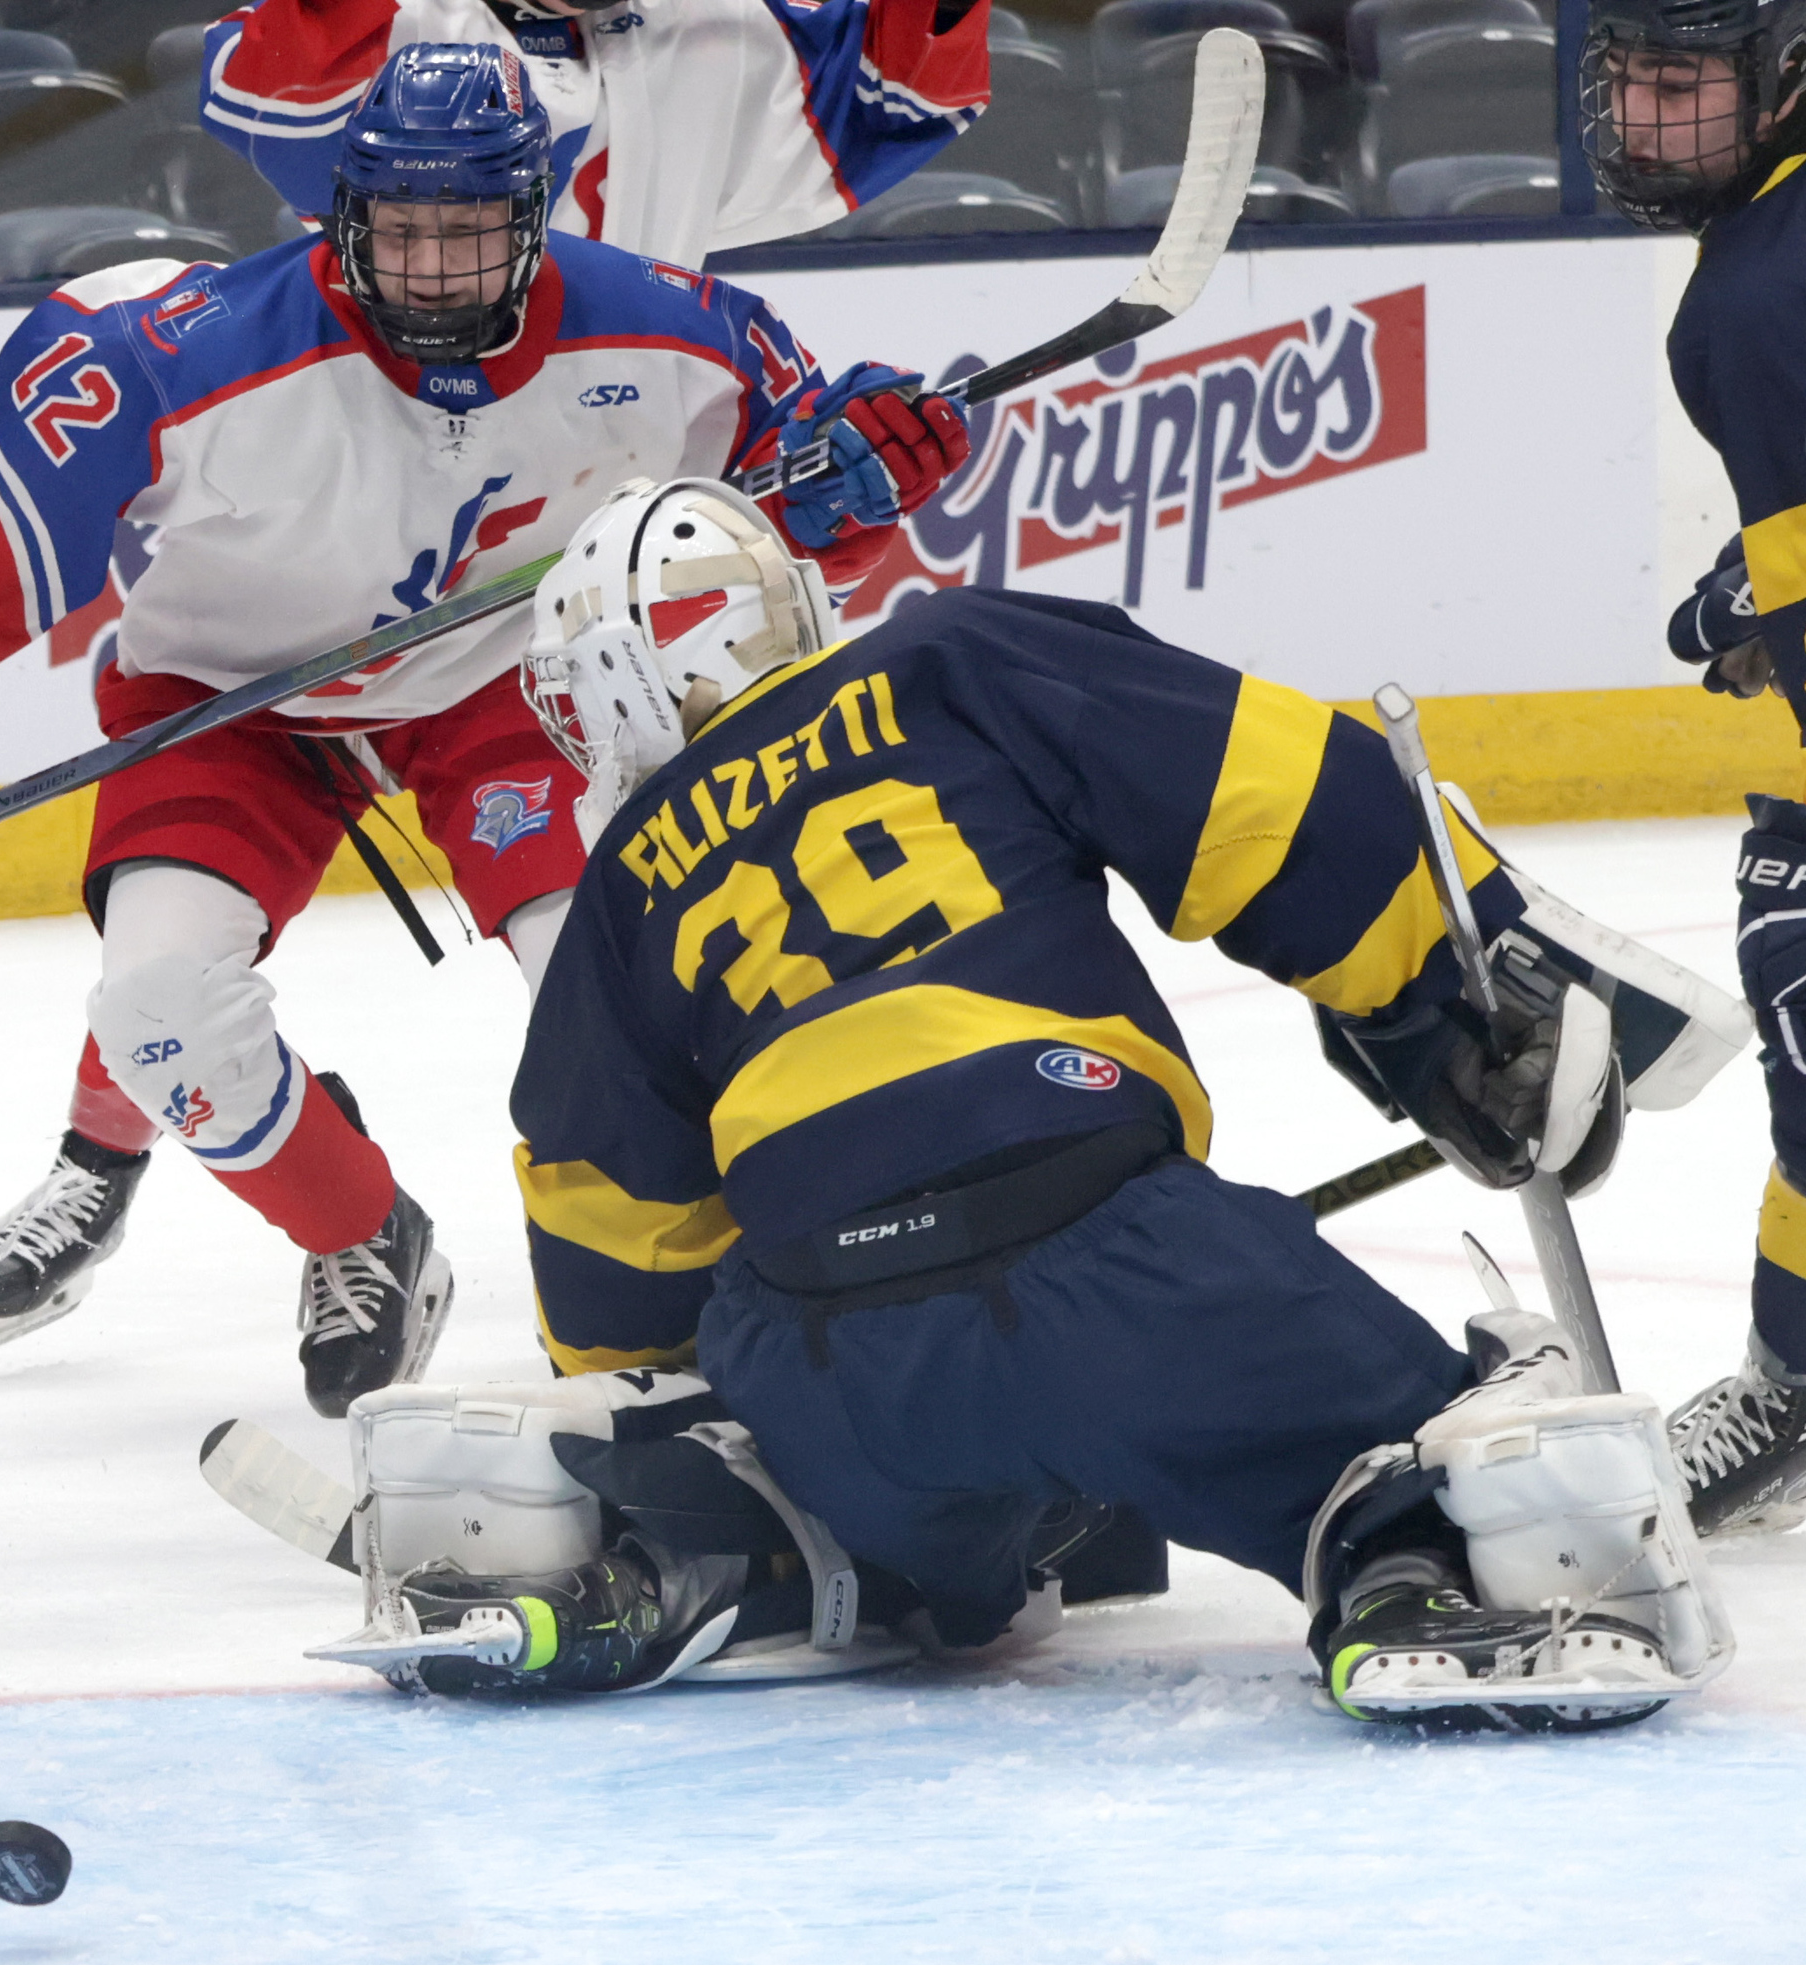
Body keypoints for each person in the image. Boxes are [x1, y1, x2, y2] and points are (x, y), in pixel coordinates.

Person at [347, 474, 1745, 1724]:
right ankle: (1415, 1573)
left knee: (906, 1539)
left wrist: (697, 1422)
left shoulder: (621, 885)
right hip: (1127, 1276)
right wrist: (1430, 1006)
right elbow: (1287, 796)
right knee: (1387, 1462)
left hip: (831, 1367)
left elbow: (605, 1221)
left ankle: (749, 1545)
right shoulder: (950, 656)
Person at [0, 45, 968, 1410]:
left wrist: (868, 489)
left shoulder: (677, 330)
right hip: (229, 706)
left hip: (499, 692)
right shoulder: (188, 350)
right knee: (160, 1008)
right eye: (400, 232)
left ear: (536, 216)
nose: (431, 268)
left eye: (467, 234)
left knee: (611, 994)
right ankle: (362, 1234)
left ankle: (711, 1301)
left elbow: (795, 541)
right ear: (343, 216)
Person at [1583, 0, 1806, 1532]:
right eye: (1628, 82)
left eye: (1679, 82)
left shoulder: (1746, 302)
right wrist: (1753, 584)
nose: (1643, 120)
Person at [197, 0, 991, 269]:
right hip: (403, 451)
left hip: (630, 459)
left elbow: (902, 95)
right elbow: (256, 90)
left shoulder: (717, 29)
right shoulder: (394, 24)